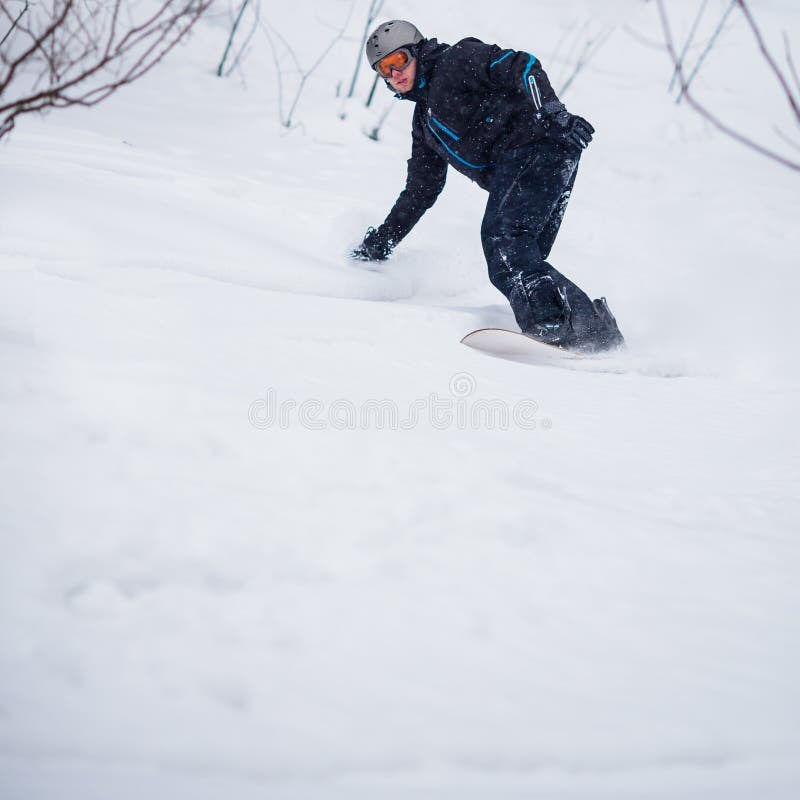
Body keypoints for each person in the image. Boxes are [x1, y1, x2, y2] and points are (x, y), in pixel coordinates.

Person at [351, 20, 624, 353]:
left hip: (539, 142)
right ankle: (593, 331)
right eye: (384, 68)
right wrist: (383, 240)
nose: (394, 74)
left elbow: (523, 65)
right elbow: (421, 190)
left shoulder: (457, 61)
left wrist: (553, 112)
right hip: (541, 161)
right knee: (520, 254)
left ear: (417, 50)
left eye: (399, 61)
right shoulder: (424, 124)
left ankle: (558, 327)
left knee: (503, 242)